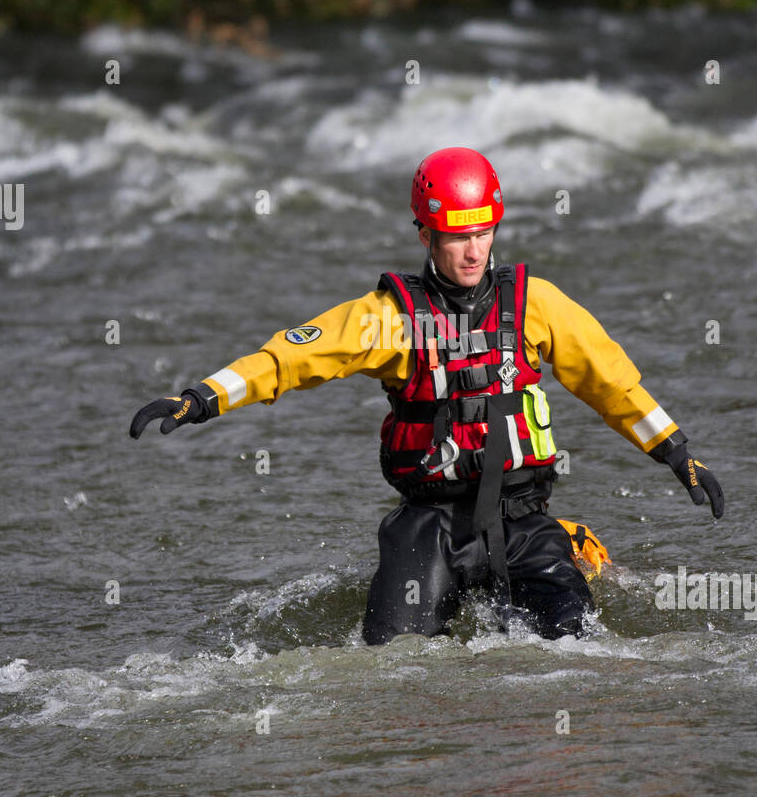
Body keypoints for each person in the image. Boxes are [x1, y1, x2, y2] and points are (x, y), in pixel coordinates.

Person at [130, 146, 724, 644]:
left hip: (524, 525)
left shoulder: (536, 304)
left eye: (484, 233)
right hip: (430, 529)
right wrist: (202, 398)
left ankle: (569, 547)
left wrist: (677, 452)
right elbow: (290, 357)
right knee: (389, 660)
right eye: (457, 236)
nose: (473, 252)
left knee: (583, 650)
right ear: (425, 233)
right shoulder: (389, 318)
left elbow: (611, 382)